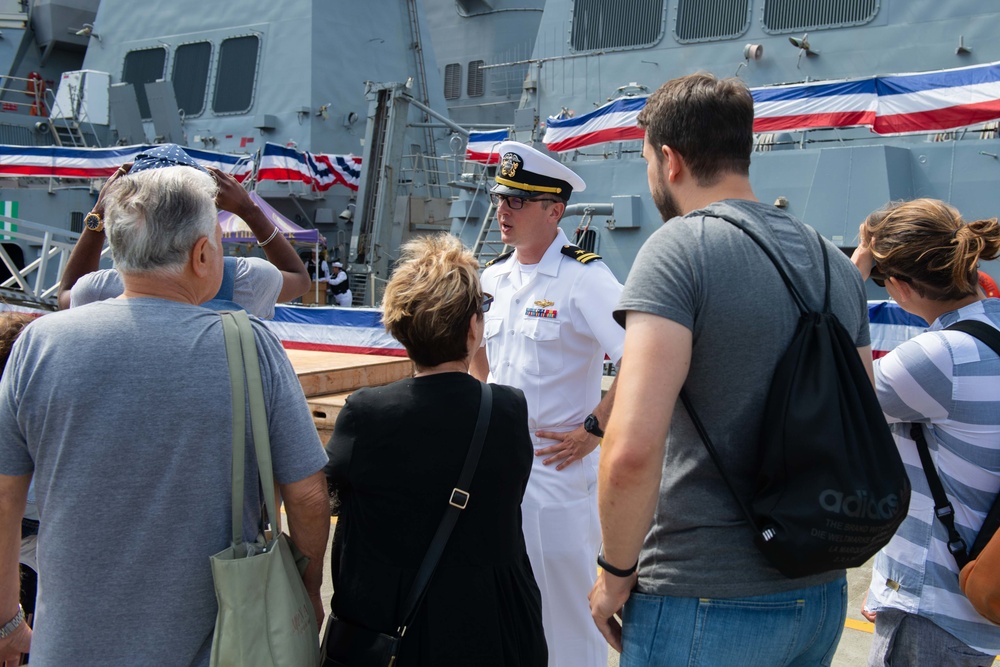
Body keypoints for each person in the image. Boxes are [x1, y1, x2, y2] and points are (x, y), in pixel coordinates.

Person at [589, 73, 870, 666]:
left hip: (701, 594)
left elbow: (632, 450)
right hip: (819, 591)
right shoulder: (835, 264)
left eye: (647, 160)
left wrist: (614, 573)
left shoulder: (679, 249)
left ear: (670, 160)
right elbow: (861, 418)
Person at [0, 165, 330, 666]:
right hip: (217, 647)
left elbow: (5, 496)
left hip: (68, 647)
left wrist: (7, 621)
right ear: (202, 255)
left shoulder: (38, 344)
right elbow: (306, 495)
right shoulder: (253, 347)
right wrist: (306, 589)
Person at [325, 234, 546, 666]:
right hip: (494, 624)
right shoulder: (507, 410)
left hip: (393, 626)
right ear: (472, 328)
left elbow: (329, 496)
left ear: (398, 326)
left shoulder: (366, 414)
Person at [470, 141, 624, 667]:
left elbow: (642, 357)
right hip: (499, 470)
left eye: (516, 201)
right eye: (500, 198)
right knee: (505, 608)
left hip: (555, 472)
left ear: (554, 210)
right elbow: (478, 355)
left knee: (567, 616)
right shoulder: (493, 277)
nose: (502, 210)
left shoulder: (585, 279)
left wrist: (594, 427)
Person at [851, 199, 1000, 666]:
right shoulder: (989, 331)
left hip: (935, 605)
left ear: (899, 285)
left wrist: (853, 275)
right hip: (981, 595)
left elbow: (832, 390)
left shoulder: (939, 358)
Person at [57, 144, 312, 318]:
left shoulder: (100, 290)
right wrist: (250, 211)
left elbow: (66, 295)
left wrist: (97, 217)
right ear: (201, 252)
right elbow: (299, 279)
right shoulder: (243, 281)